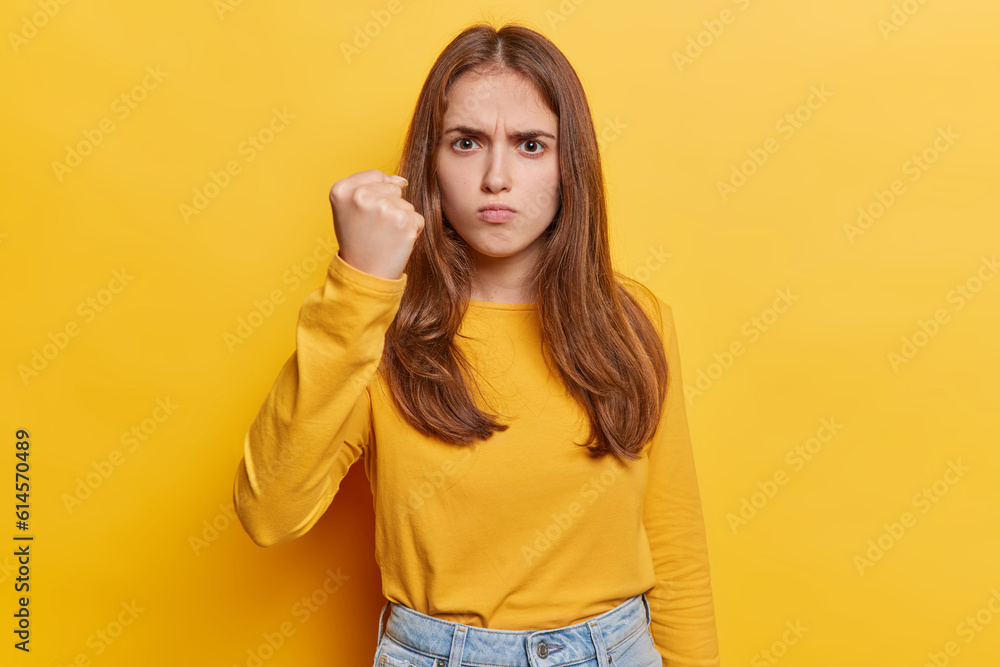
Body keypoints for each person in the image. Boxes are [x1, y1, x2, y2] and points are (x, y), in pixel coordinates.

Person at [232, 20, 721, 667]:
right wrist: (358, 285)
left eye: (529, 144)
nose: (497, 177)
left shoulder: (635, 319)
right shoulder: (379, 324)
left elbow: (675, 543)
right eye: (467, 142)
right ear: (430, 162)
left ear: (568, 161)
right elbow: (269, 511)